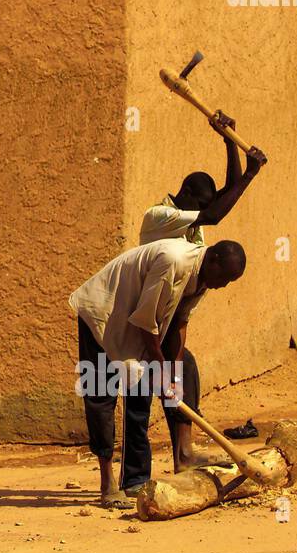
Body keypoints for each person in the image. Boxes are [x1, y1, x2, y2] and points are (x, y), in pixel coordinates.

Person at [70, 238, 247, 507]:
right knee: (101, 393)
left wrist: (172, 373)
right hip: (104, 314)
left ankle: (135, 480)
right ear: (214, 260)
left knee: (142, 395)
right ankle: (107, 484)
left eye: (230, 282)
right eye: (224, 277)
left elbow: (179, 323)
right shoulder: (173, 261)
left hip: (140, 325)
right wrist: (160, 370)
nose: (224, 285)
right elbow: (145, 322)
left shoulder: (204, 278)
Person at [139, 112, 266, 246]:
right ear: (186, 192)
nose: (202, 210)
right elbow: (212, 216)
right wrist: (249, 175)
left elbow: (231, 188)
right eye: (201, 204)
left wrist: (230, 139)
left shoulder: (192, 218)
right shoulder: (160, 215)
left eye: (204, 207)